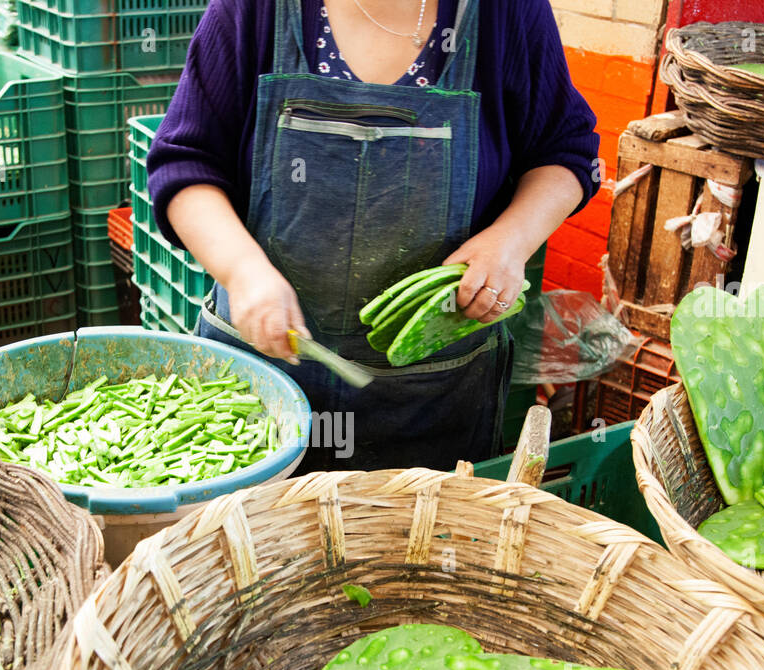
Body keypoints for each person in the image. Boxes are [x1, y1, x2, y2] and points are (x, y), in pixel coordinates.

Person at [148, 0, 599, 470]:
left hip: (430, 400)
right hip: (257, 392)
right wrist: (243, 273)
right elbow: (186, 163)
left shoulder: (507, 13)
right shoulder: (252, 11)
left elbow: (566, 150)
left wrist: (511, 239)